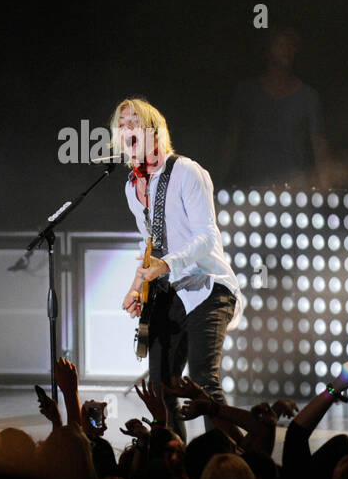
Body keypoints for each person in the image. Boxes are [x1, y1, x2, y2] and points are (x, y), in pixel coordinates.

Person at [114, 97, 244, 441]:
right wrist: (136, 286)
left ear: (153, 131)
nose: (126, 129)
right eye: (121, 124)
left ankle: (232, 461)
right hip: (169, 293)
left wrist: (166, 265)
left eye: (133, 123)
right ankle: (174, 464)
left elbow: (206, 235)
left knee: (203, 382)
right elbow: (149, 246)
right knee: (160, 390)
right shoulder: (131, 187)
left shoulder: (186, 170)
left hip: (208, 288)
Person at [219, 29, 333, 188]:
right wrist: (216, 183)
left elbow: (319, 146)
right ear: (267, 50)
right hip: (252, 188)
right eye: (281, 45)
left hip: (293, 190)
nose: (287, 50)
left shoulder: (308, 96)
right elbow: (231, 140)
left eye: (291, 46)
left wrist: (327, 193)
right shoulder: (247, 92)